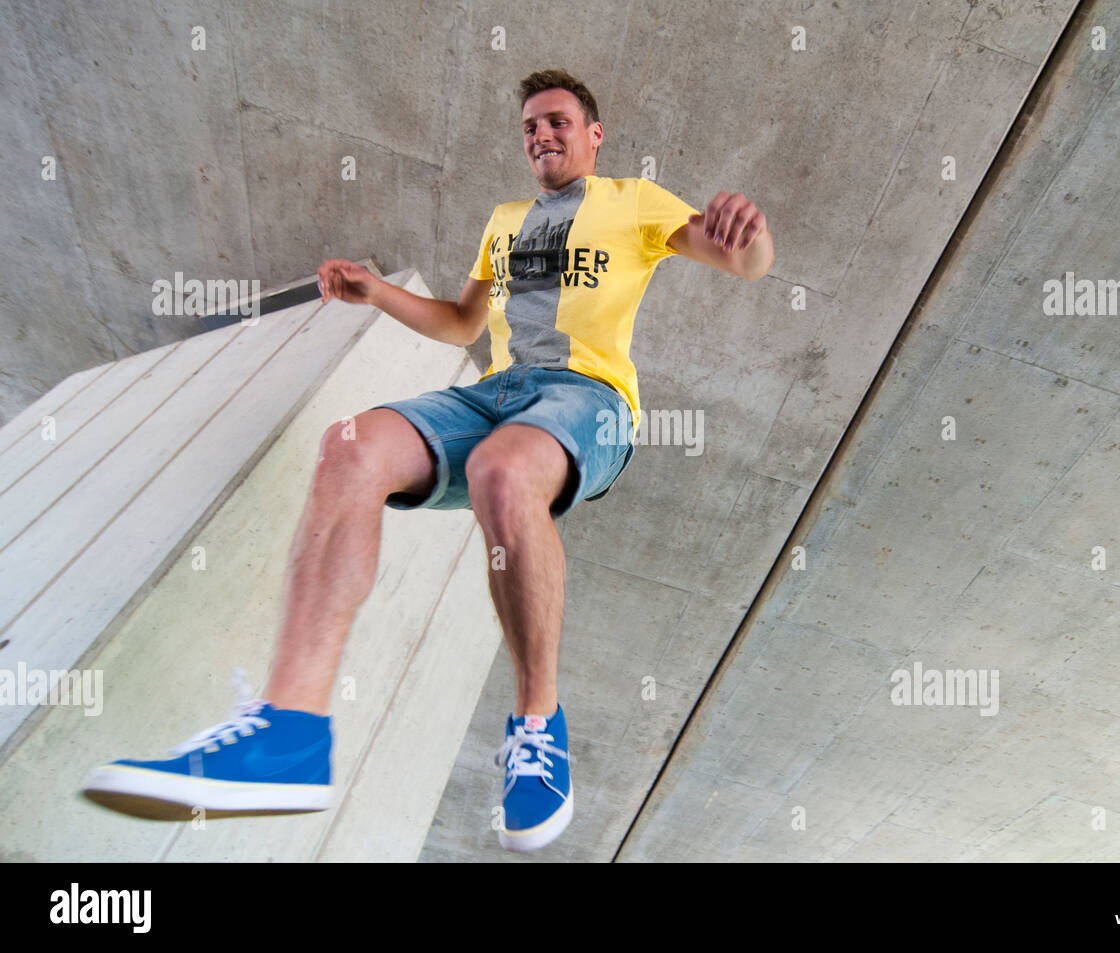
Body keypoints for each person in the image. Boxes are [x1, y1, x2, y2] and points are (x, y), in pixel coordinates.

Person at [82, 68, 774, 852]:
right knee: (350, 446)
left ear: (593, 134)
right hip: (496, 389)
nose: (540, 135)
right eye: (529, 129)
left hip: (588, 399)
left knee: (501, 471)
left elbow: (739, 263)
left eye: (555, 121)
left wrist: (749, 239)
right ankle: (290, 734)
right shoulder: (505, 220)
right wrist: (376, 292)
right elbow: (460, 323)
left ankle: (538, 729)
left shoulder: (634, 202)